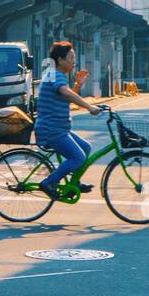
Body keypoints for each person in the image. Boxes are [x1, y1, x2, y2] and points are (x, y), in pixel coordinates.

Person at [34, 40, 102, 201]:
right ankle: (48, 183)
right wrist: (89, 107)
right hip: (52, 130)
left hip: (59, 128)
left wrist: (78, 84)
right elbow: (66, 93)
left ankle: (74, 182)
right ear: (60, 60)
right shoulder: (55, 75)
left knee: (86, 147)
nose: (74, 62)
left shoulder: (55, 75)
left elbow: (66, 95)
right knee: (78, 157)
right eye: (71, 58)